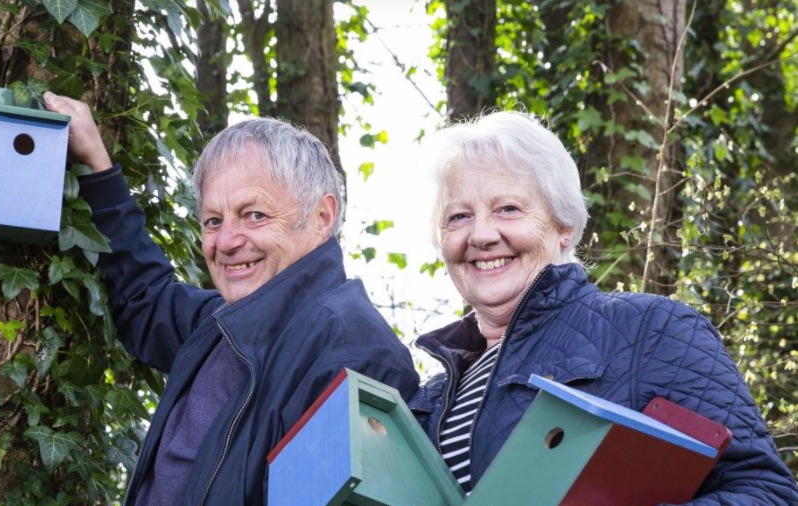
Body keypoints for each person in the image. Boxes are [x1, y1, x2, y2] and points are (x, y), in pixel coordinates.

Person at [42, 92, 420, 505]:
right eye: (213, 220)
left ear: (321, 217)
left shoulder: (352, 352)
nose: (226, 242)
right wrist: (99, 169)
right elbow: (146, 301)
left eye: (254, 215)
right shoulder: (224, 323)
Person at [408, 110, 798, 503]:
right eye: (458, 217)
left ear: (564, 226)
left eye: (507, 208)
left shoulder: (652, 331)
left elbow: (768, 494)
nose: (481, 235)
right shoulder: (429, 401)